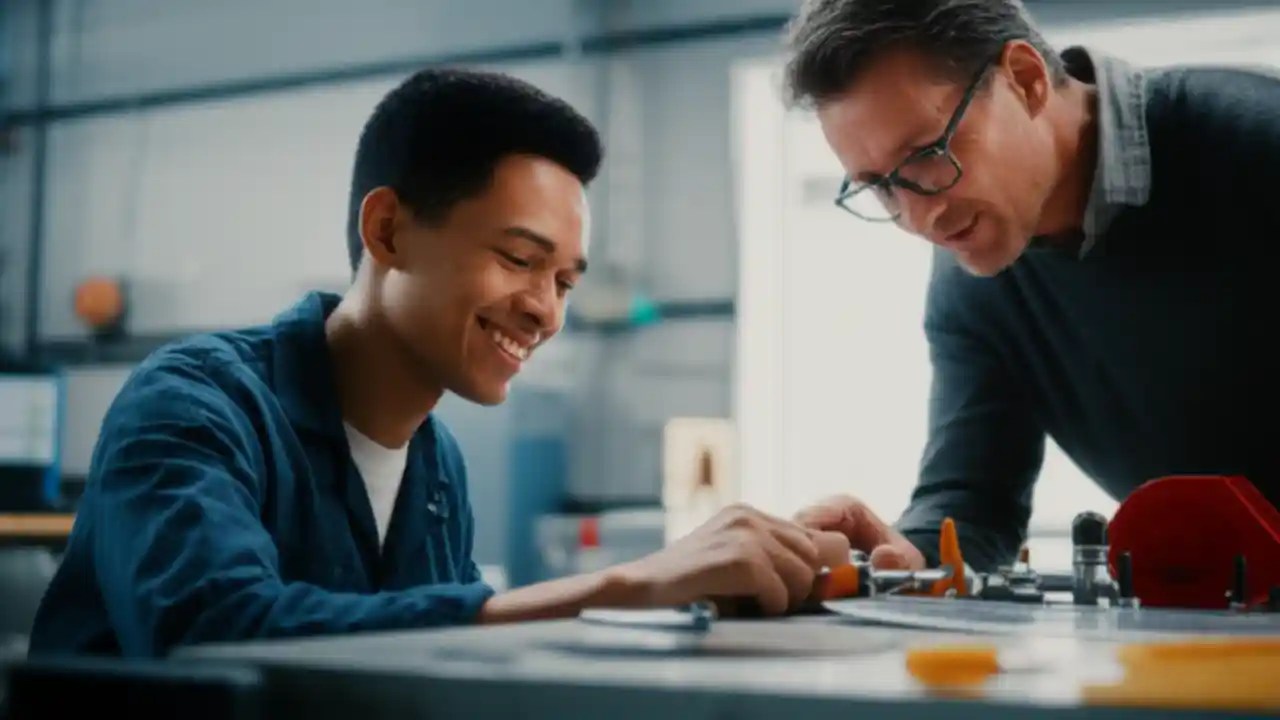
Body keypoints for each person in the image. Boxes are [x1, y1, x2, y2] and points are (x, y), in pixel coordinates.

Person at [28, 68, 850, 658]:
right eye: (519, 258)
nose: (546, 309)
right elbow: (209, 631)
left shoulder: (436, 466)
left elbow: (423, 667)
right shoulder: (193, 404)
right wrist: (627, 585)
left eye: (565, 280)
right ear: (386, 231)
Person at [782, 0, 1280, 571]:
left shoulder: (1258, 145)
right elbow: (974, 503)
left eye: (927, 155)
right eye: (881, 188)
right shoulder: (973, 282)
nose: (920, 221)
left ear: (1025, 80)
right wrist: (904, 557)